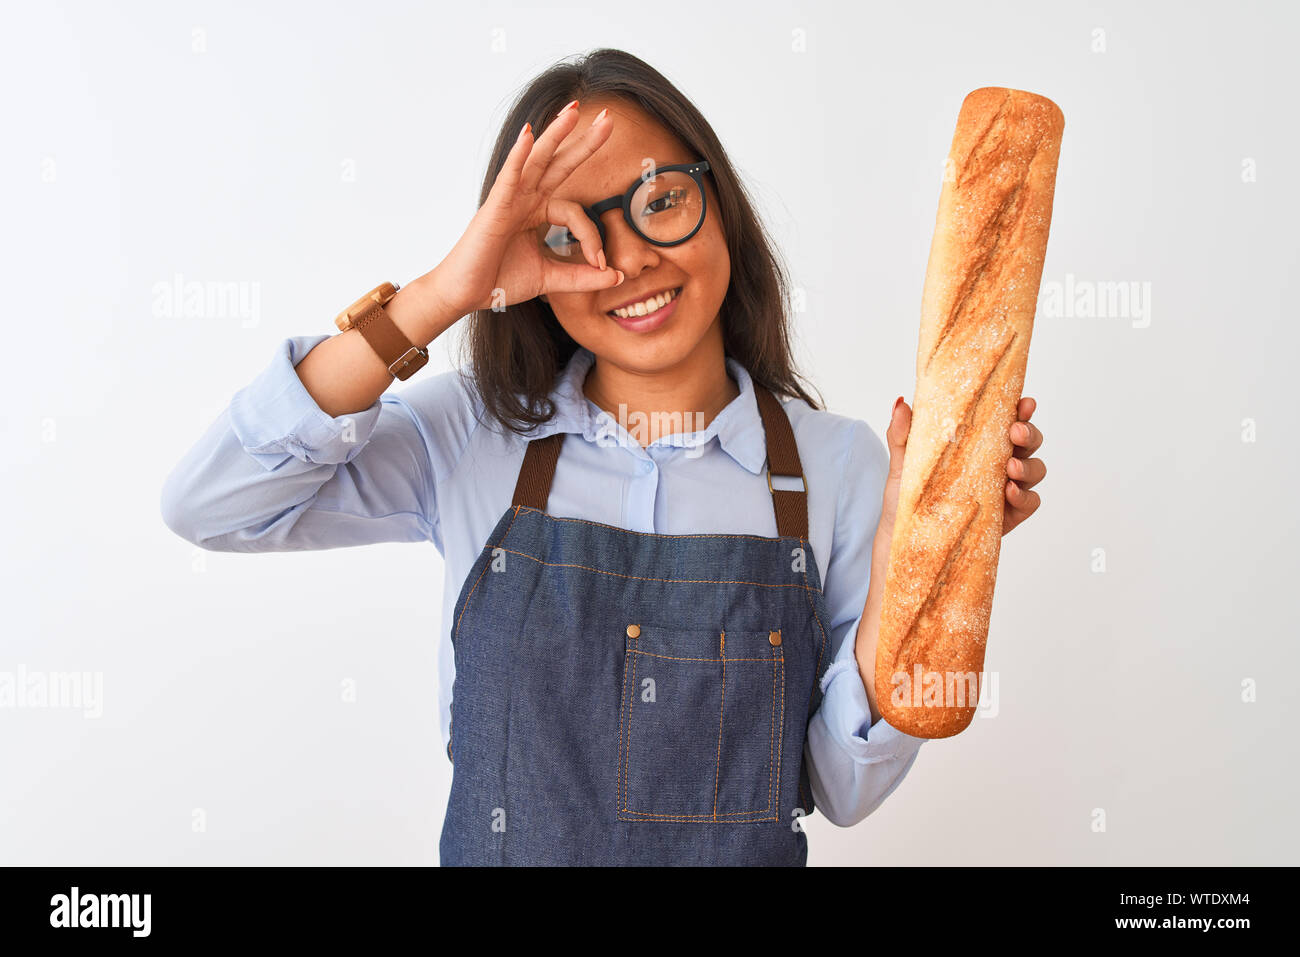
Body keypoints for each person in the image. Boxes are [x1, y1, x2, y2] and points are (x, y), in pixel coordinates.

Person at [160, 49, 1047, 866]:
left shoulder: (842, 466)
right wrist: (439, 296)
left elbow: (841, 789)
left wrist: (913, 553)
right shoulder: (473, 434)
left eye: (660, 200)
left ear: (719, 202)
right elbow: (213, 504)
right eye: (569, 233)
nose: (625, 263)